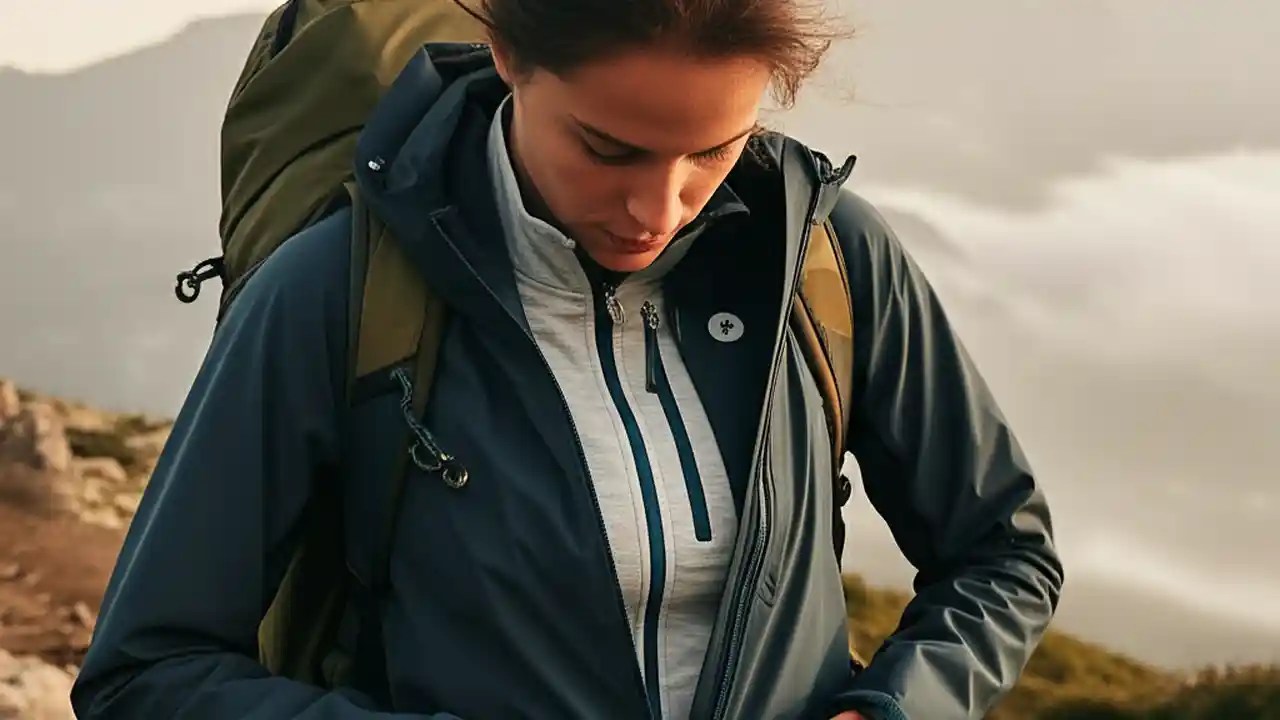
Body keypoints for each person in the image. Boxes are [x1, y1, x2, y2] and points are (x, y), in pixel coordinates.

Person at [70, 0, 1063, 718]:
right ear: (505, 52)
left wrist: (897, 708)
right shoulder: (334, 291)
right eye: (607, 148)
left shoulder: (826, 258)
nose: (658, 209)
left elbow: (1002, 552)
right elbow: (145, 670)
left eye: (712, 151)